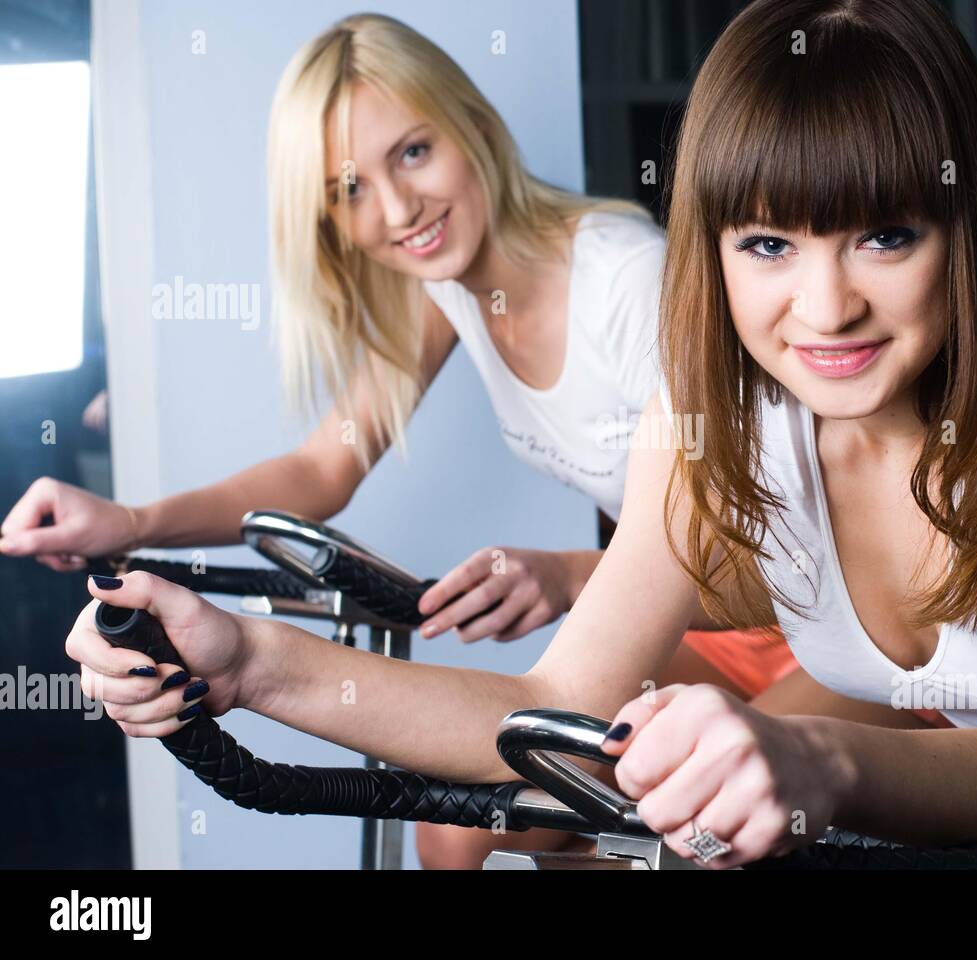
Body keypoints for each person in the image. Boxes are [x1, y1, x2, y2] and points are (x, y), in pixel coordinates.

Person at [61, 0, 977, 869]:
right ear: (713, 253)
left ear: (966, 227)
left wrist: (806, 760)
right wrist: (245, 661)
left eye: (883, 235)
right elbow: (548, 702)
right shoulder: (716, 430)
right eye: (767, 245)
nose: (823, 309)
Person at [0, 12, 900, 870]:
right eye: (351, 189)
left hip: (821, 611)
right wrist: (127, 520)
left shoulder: (628, 281)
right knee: (466, 836)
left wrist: (564, 574)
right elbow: (323, 467)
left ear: (470, 121)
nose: (396, 209)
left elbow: (758, 534)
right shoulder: (451, 293)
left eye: (414, 153)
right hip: (699, 613)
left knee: (677, 834)